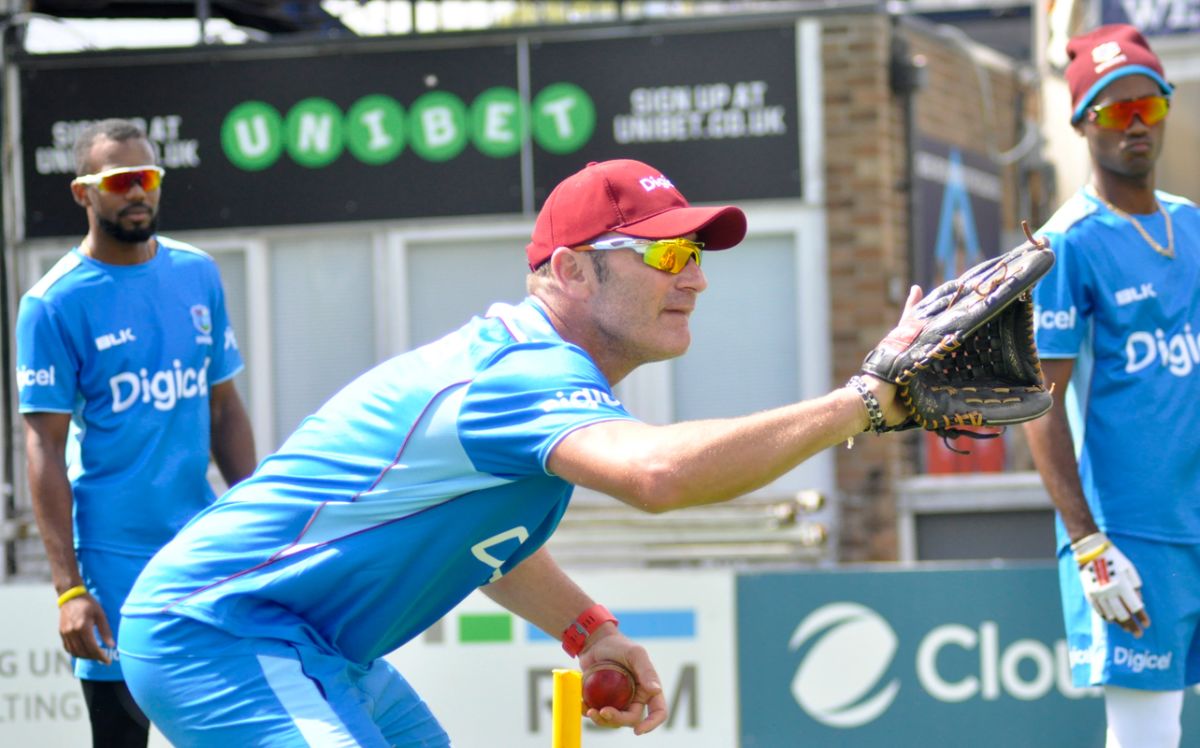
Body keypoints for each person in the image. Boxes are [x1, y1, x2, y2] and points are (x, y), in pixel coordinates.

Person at [116, 158, 920, 746]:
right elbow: (658, 476)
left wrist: (588, 631)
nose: (695, 279)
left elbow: (485, 543)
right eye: (665, 254)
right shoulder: (522, 373)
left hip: (313, 642)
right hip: (222, 627)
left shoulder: (533, 370)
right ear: (571, 271)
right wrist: (862, 404)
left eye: (695, 254)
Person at [15, 118, 258, 748]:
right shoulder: (51, 304)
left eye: (147, 177)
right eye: (120, 181)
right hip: (112, 559)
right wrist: (68, 588)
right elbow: (43, 445)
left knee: (236, 728)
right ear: (83, 193)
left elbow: (224, 409)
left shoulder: (197, 273)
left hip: (200, 544)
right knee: (122, 738)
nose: (138, 192)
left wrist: (259, 518)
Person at [1024, 25, 1200, 748]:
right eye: (1115, 109)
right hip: (1129, 536)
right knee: (1147, 734)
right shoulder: (1066, 244)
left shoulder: (1192, 224)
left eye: (1148, 106)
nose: (1135, 124)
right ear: (1080, 122)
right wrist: (1088, 543)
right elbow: (1039, 405)